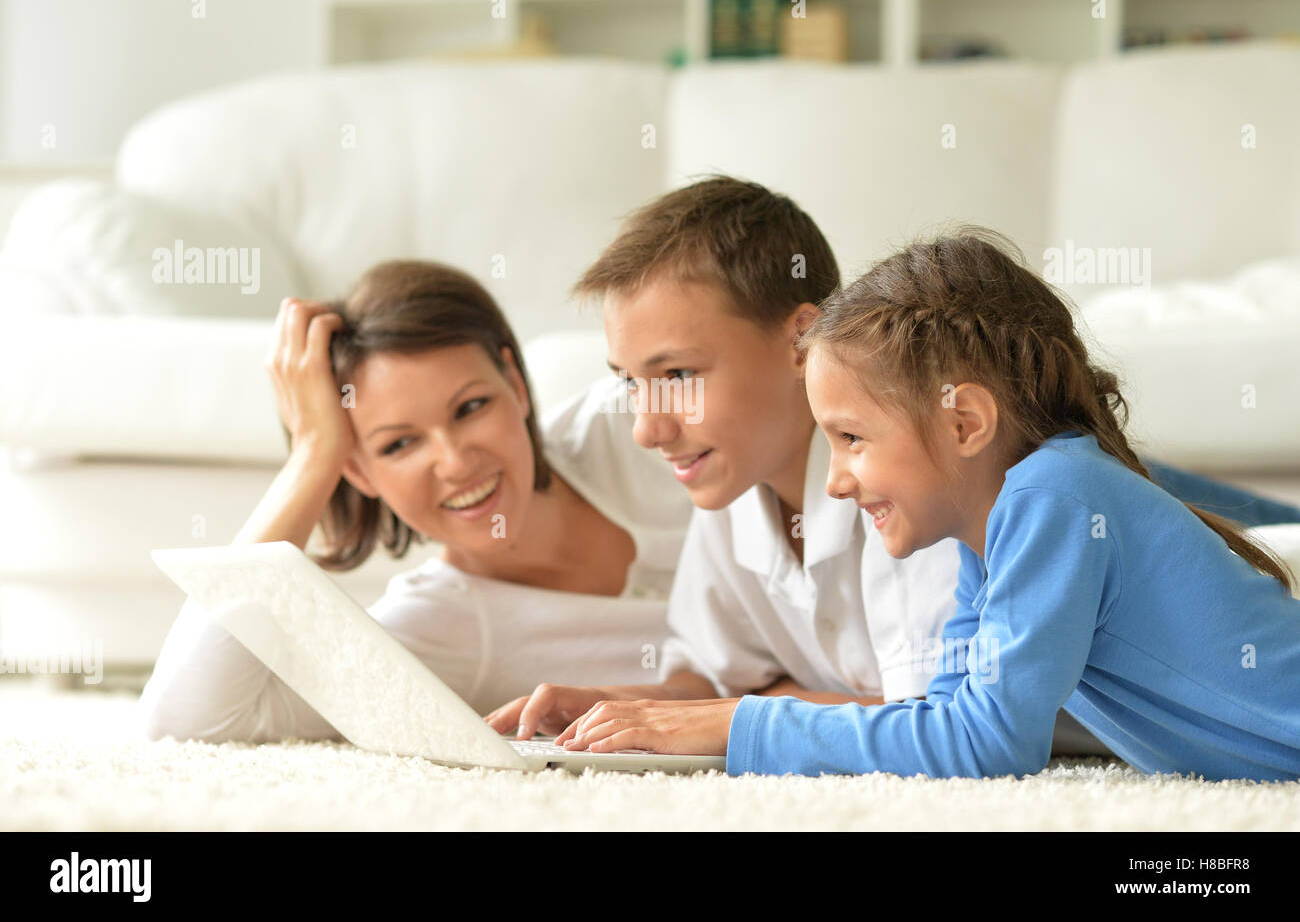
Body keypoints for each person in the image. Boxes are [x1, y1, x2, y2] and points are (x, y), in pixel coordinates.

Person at [489, 177, 1300, 766]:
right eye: (629, 382)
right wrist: (646, 710)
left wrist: (737, 722)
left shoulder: (1021, 494)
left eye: (850, 437)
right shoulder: (978, 526)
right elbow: (948, 711)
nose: (645, 424)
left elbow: (976, 738)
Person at [138, 259, 694, 741]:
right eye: (399, 444)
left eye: (470, 407)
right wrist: (311, 456)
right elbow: (184, 719)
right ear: (357, 471)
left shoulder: (636, 424)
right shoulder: (442, 624)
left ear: (515, 386)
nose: (454, 462)